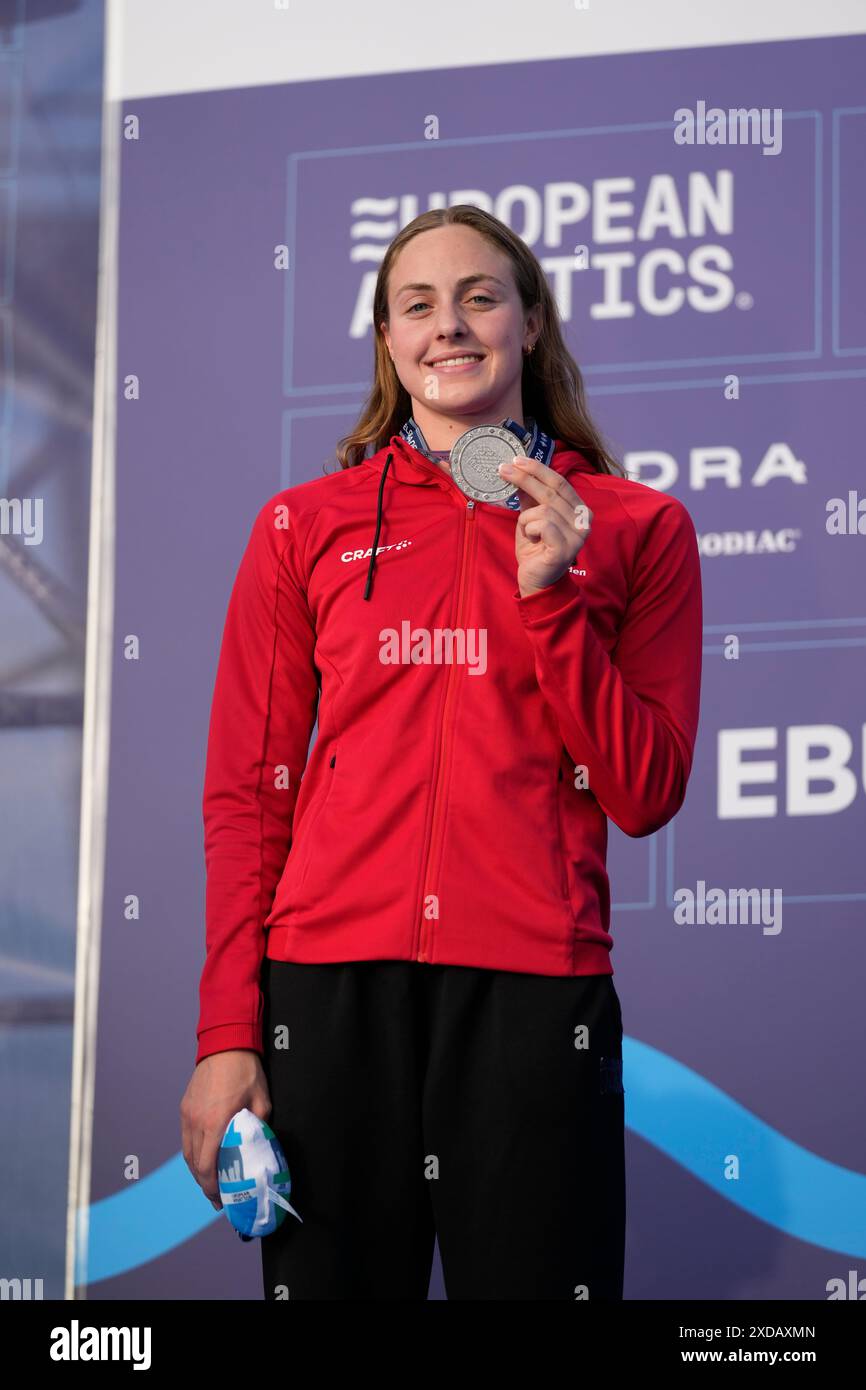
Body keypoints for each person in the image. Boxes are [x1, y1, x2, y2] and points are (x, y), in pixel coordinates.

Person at [180, 204, 703, 1300]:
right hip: (325, 994)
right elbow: (248, 797)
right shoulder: (301, 527)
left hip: (530, 995)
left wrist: (550, 600)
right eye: (416, 304)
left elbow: (644, 790)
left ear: (529, 323)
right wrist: (230, 1028)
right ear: (386, 341)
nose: (448, 326)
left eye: (478, 297)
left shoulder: (635, 527)